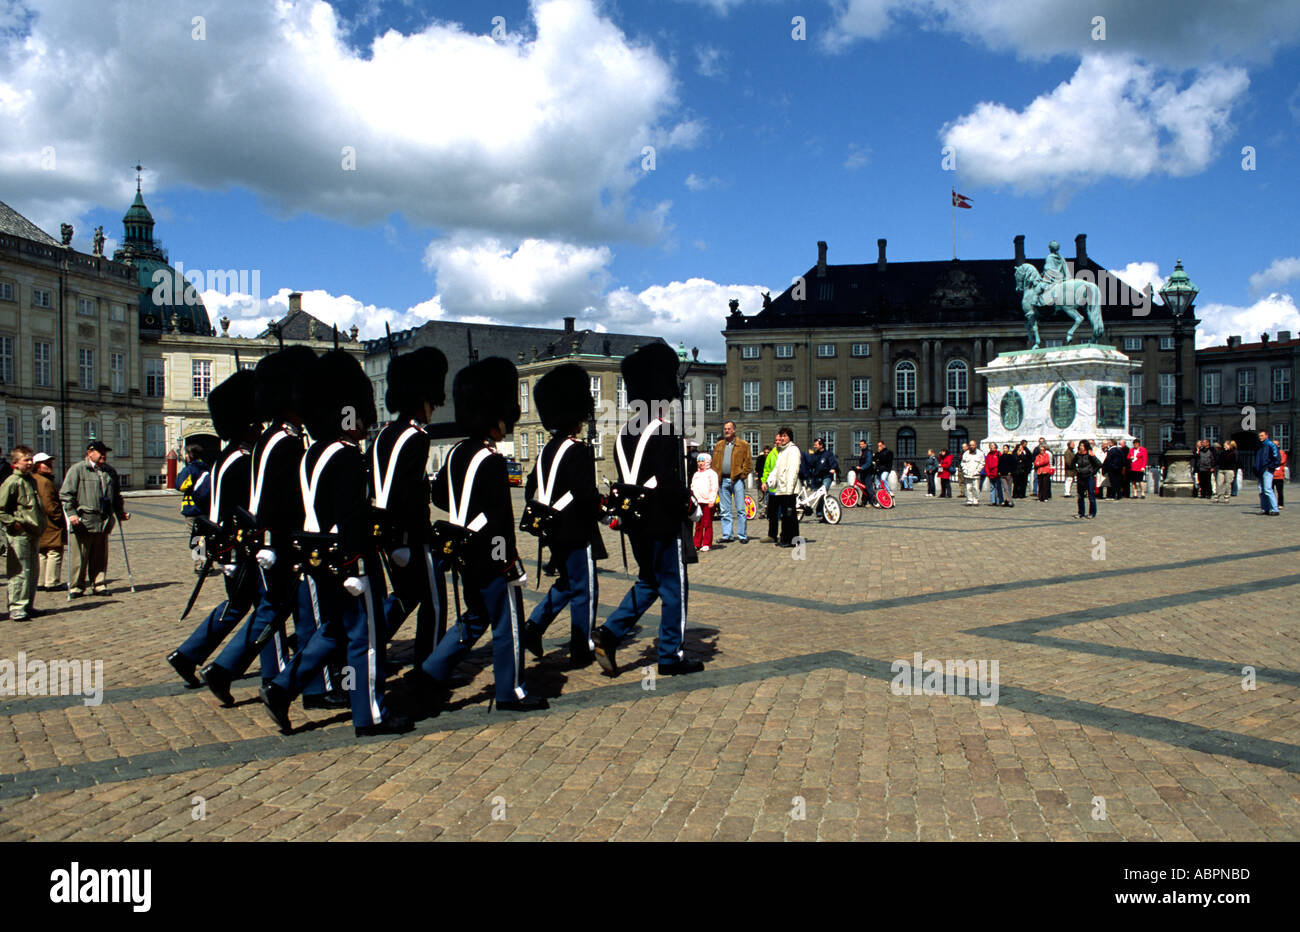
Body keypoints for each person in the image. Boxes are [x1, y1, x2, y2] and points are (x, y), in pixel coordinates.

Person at [261, 350, 414, 737]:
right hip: (348, 558)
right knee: (368, 635)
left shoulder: (313, 452)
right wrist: (356, 565)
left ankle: (281, 688)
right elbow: (349, 517)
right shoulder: (346, 457)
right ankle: (371, 714)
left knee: (333, 631)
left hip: (317, 555)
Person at [201, 346, 323, 708]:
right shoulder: (284, 441)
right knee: (291, 610)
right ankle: (303, 686)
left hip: (268, 539)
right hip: (279, 540)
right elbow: (282, 501)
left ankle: (234, 670)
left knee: (275, 608)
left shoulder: (273, 439)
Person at [593, 342, 703, 678]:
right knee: (674, 589)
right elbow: (669, 486)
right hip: (661, 523)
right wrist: (692, 506)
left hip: (633, 524)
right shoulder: (665, 430)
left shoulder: (623, 433)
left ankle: (610, 633)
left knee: (648, 582)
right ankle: (670, 654)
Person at [167, 370, 265, 688]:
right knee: (263, 606)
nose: (259, 429)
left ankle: (188, 655)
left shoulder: (225, 458)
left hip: (224, 542)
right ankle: (223, 666)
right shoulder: (242, 460)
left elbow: (202, 495)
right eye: (255, 424)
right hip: (238, 544)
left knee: (237, 605)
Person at [522, 363, 606, 667]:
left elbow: (532, 485)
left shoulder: (547, 449)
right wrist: (606, 510)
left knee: (567, 584)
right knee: (585, 587)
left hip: (553, 529)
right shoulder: (577, 450)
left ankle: (534, 625)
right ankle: (581, 645)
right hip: (575, 530)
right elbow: (585, 495)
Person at [372, 347, 449, 668]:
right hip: (409, 534)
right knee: (434, 600)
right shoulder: (415, 437)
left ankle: (370, 644)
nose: (434, 407)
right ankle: (429, 666)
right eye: (432, 401)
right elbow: (402, 493)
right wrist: (404, 539)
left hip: (387, 530)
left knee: (405, 596)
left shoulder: (384, 434)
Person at [59, 439, 130, 596]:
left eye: (105, 452)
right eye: (100, 452)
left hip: (103, 520)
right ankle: (77, 586)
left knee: (100, 555)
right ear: (89, 453)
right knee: (80, 556)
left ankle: (98, 584)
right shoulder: (78, 469)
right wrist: (71, 514)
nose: (103, 455)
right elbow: (66, 494)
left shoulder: (110, 471)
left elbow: (116, 496)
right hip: (83, 520)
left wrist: (120, 512)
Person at [0, 446, 46, 621]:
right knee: (19, 571)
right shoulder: (12, 482)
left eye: (30, 459)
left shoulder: (30, 480)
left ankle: (28, 604)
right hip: (19, 534)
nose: (29, 462)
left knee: (32, 571)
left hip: (33, 532)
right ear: (15, 463)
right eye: (26, 460)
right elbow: (1, 509)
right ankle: (16, 607)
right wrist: (14, 523)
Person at [712, 421, 752, 544]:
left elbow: (748, 464)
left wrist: (742, 475)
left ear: (734, 430)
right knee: (724, 510)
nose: (727, 431)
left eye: (729, 429)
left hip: (737, 480)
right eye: (725, 429)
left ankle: (742, 535)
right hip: (722, 480)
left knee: (740, 509)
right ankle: (727, 535)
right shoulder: (719, 445)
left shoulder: (743, 444)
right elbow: (715, 463)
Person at [176, 443, 212, 574]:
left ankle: (200, 564)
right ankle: (208, 561)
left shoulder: (190, 469)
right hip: (206, 508)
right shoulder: (207, 468)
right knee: (206, 536)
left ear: (189, 455)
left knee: (196, 537)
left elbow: (180, 486)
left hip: (192, 507)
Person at [31, 453, 65, 592]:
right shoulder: (44, 482)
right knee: (54, 552)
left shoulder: (35, 479)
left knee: (42, 552)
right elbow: (49, 504)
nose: (50, 465)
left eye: (50, 462)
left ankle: (40, 581)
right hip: (50, 523)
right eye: (46, 463)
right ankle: (52, 581)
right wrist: (59, 518)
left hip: (41, 521)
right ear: (38, 465)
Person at [768, 427, 802, 546]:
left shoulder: (793, 450)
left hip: (789, 489)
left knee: (790, 515)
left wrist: (790, 489)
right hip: (781, 488)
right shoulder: (782, 450)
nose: (782, 438)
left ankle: (791, 539)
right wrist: (771, 479)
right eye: (781, 436)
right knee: (786, 515)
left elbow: (793, 470)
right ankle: (786, 538)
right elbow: (777, 469)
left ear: (789, 438)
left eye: (784, 436)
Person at [802, 437, 838, 518]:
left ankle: (820, 511)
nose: (814, 446)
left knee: (823, 492)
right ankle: (820, 511)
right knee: (819, 495)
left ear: (821, 445)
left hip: (827, 476)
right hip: (818, 477)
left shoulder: (828, 454)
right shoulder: (815, 455)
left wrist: (833, 468)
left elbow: (834, 462)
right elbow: (810, 464)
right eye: (814, 445)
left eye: (816, 445)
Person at [691, 452, 718, 550]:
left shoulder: (712, 474)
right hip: (698, 501)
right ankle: (697, 542)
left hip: (707, 502)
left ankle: (707, 543)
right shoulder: (696, 474)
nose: (700, 463)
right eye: (699, 461)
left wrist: (712, 500)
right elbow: (693, 486)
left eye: (702, 461)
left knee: (707, 523)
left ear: (707, 461)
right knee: (698, 523)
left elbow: (714, 487)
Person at [1255, 430, 1281, 515]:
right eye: (1259, 436)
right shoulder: (1259, 445)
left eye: (1262, 435)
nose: (1260, 437)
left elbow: (1277, 457)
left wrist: (1270, 466)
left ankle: (1275, 509)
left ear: (1266, 435)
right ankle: (1264, 509)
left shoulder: (1270, 444)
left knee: (1267, 489)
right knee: (1262, 491)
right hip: (1260, 470)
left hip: (1267, 469)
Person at [1072, 440, 1101, 518]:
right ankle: (1081, 512)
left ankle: (1092, 513)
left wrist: (1092, 472)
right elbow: (1072, 463)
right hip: (1080, 476)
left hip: (1088, 476)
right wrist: (1077, 470)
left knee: (1091, 495)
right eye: (1080, 445)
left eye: (1082, 445)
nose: (1081, 447)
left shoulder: (1089, 454)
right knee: (1080, 496)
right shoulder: (1078, 455)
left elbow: (1098, 464)